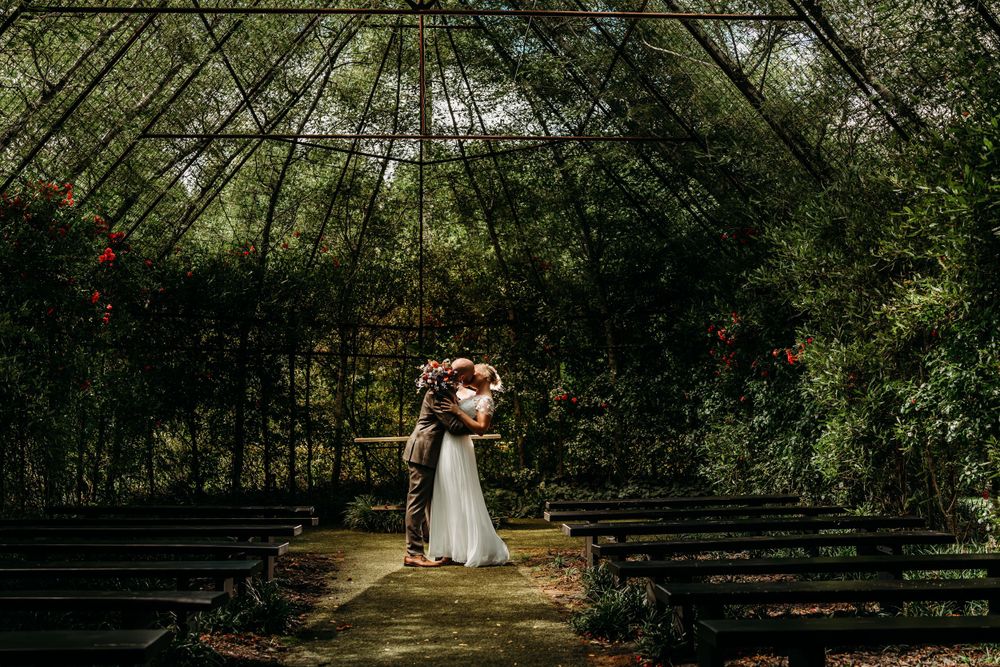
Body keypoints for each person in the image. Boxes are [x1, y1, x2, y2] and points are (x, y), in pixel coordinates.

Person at [427, 363, 510, 567]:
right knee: (447, 492)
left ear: (485, 377)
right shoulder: (471, 395)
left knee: (460, 492)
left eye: (476, 372)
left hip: (460, 448)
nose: (472, 375)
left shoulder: (486, 400)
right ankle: (450, 549)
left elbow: (481, 428)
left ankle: (469, 548)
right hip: (448, 445)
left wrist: (458, 411)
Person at [402, 358, 475, 567]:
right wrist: (480, 425)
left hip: (433, 454)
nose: (471, 382)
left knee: (430, 504)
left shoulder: (446, 390)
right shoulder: (438, 392)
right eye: (470, 377)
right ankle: (413, 553)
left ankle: (437, 549)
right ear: (463, 377)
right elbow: (454, 426)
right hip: (423, 451)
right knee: (417, 503)